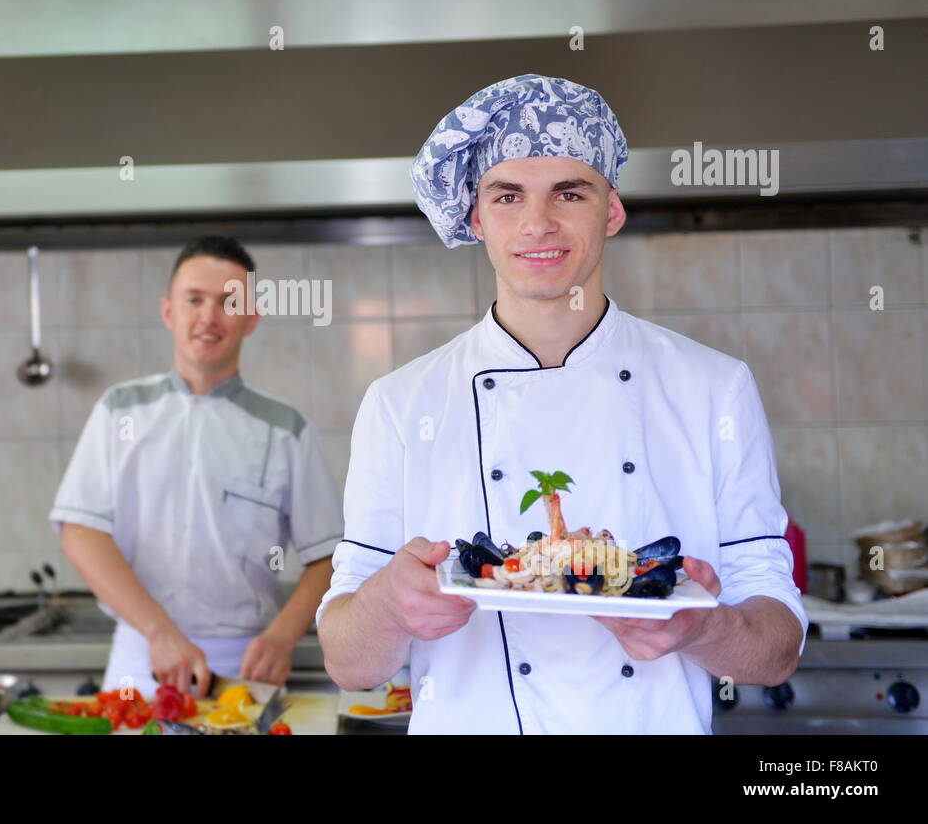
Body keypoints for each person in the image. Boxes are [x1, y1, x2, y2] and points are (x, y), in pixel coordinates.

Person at [316, 75, 807, 734]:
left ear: (610, 210)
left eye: (568, 192)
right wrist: (389, 605)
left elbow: (776, 648)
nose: (537, 223)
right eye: (508, 195)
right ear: (476, 218)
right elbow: (349, 662)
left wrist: (700, 627)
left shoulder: (713, 387)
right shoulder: (402, 404)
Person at [51, 236, 342, 698]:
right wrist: (159, 632)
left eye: (229, 302)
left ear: (251, 319)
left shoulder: (287, 429)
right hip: (142, 658)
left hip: (247, 669)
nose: (209, 316)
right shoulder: (118, 411)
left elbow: (327, 556)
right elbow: (80, 531)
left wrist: (282, 637)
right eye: (194, 300)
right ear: (169, 312)